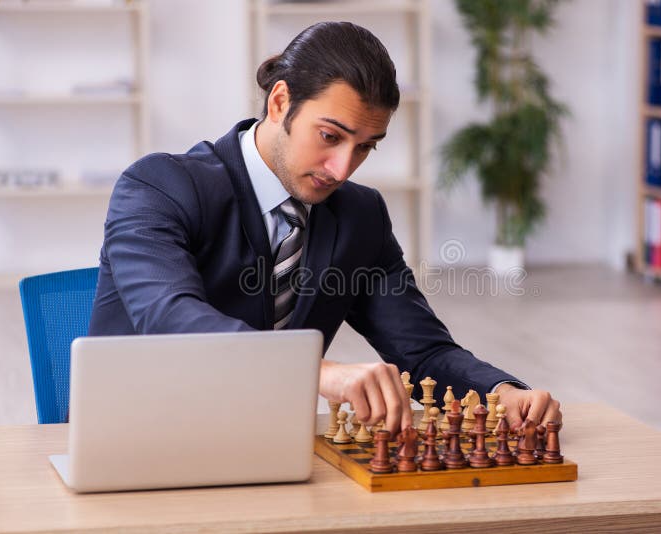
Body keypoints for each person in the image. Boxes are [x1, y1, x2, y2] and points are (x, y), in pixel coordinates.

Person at [88, 21, 561, 436]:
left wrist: (501, 392)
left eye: (364, 147)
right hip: (138, 438)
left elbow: (422, 352)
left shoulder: (361, 216)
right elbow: (171, 317)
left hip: (268, 442)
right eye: (330, 136)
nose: (341, 168)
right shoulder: (159, 186)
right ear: (280, 102)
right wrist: (317, 373)